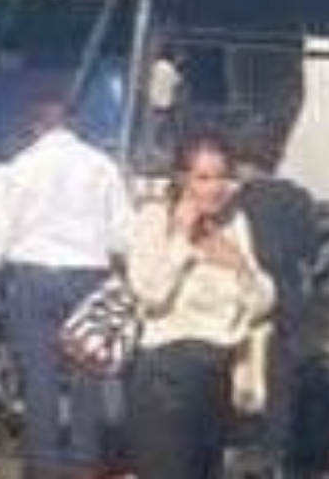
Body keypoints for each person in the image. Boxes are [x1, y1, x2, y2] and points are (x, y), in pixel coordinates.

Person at [0, 92, 132, 479]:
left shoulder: (19, 167)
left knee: (39, 378)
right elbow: (122, 236)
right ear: (73, 123)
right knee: (87, 377)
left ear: (35, 126)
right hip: (87, 279)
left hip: (32, 279)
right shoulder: (102, 166)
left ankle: (43, 465)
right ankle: (84, 463)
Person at [127, 131, 275, 479]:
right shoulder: (156, 218)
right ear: (182, 179)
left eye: (222, 177)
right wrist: (181, 238)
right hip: (168, 376)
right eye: (203, 178)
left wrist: (240, 265)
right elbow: (150, 292)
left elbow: (264, 302)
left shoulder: (234, 223)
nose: (215, 188)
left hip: (218, 376)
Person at [231, 124, 318, 478]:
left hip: (245, 291)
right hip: (287, 293)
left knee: (239, 368)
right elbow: (310, 251)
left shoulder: (236, 200)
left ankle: (239, 445)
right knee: (281, 377)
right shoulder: (299, 197)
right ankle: (276, 454)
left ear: (240, 162)